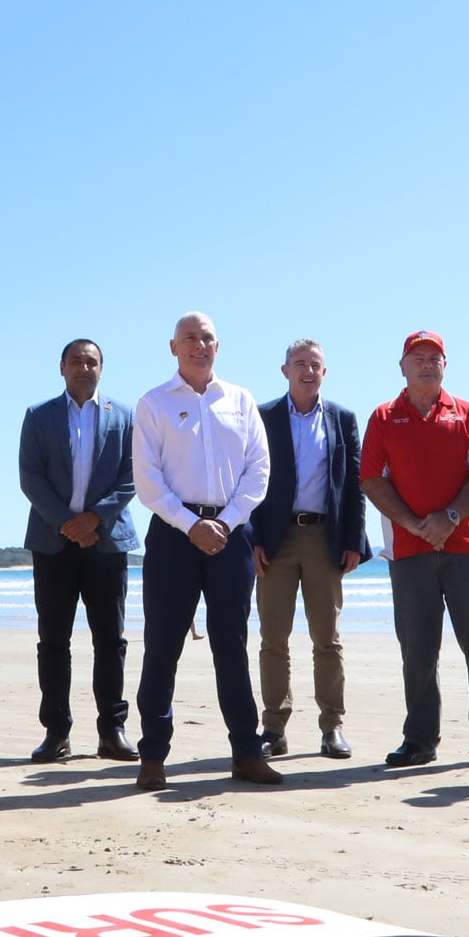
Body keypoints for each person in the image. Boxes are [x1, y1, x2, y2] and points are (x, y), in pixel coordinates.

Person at [360, 330, 469, 770]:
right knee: (417, 650)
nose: (427, 364)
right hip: (408, 551)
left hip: (466, 547)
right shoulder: (382, 417)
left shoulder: (466, 413)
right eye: (419, 357)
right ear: (403, 366)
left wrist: (448, 518)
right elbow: (372, 478)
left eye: (435, 357)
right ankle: (419, 740)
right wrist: (414, 523)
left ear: (445, 365)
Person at [131, 312, 279, 789]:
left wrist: (226, 522)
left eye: (207, 338)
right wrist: (191, 524)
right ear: (173, 347)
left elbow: (259, 469)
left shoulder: (240, 400)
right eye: (189, 338)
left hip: (230, 533)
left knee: (231, 645)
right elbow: (147, 480)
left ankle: (246, 753)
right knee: (163, 646)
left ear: (219, 346)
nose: (199, 345)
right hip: (173, 535)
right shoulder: (153, 403)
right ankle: (152, 756)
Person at [16, 338, 139, 763]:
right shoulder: (39, 416)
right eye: (75, 361)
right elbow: (30, 477)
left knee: (111, 641)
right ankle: (56, 732)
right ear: (62, 367)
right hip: (53, 544)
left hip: (107, 544)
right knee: (53, 641)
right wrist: (67, 523)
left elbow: (133, 475)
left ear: (101, 369)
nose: (83, 367)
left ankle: (113, 731)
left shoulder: (123, 416)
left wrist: (94, 519)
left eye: (91, 361)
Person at [253, 339, 369, 760]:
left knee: (327, 639)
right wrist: (252, 538)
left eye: (315, 364)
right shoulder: (262, 416)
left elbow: (355, 484)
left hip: (324, 539)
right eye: (299, 364)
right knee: (273, 639)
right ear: (284, 370)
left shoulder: (342, 418)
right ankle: (273, 728)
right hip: (275, 540)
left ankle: (332, 727)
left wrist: (354, 540)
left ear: (325, 372)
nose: (307, 370)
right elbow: (247, 479)